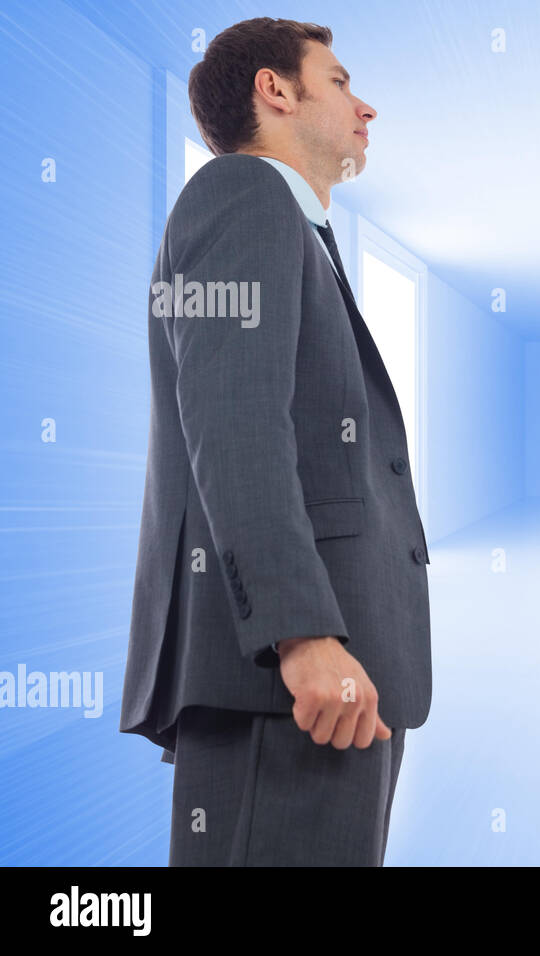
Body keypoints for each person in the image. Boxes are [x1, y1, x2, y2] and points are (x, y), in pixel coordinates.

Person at [119, 17, 432, 865]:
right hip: (286, 679)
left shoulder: (293, 232)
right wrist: (300, 634)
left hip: (332, 683)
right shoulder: (244, 194)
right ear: (276, 91)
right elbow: (233, 420)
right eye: (339, 82)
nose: (365, 107)